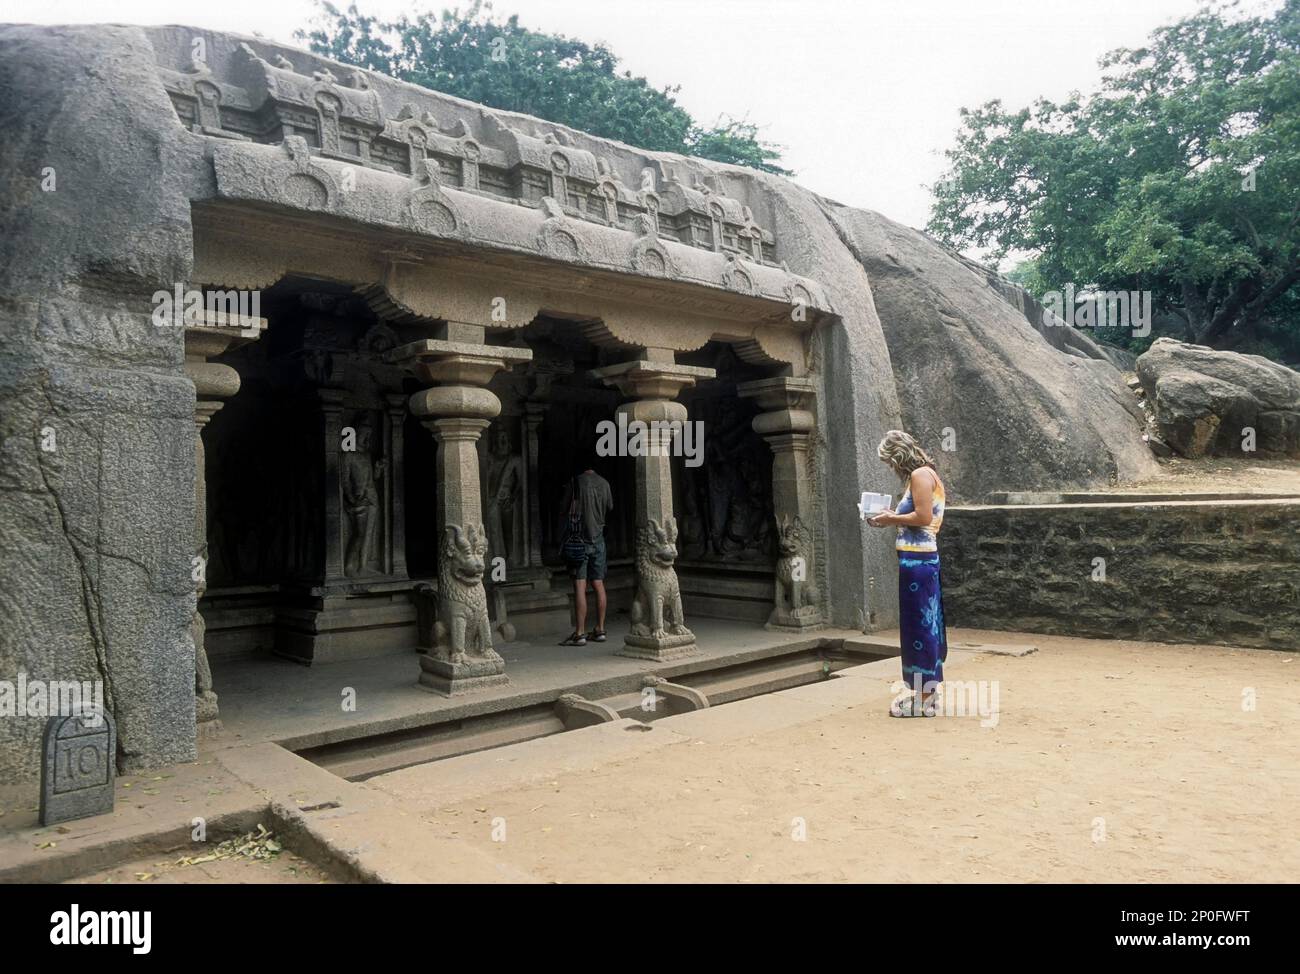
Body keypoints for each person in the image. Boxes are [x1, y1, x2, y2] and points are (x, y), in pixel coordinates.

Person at [867, 430, 948, 717]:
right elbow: (918, 516)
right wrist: (891, 517)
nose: (891, 467)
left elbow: (923, 518)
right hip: (918, 562)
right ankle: (926, 691)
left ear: (899, 456)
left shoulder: (920, 476)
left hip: (918, 564)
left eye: (890, 461)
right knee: (923, 624)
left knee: (920, 627)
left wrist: (891, 519)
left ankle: (925, 695)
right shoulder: (926, 476)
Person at [558, 456, 614, 646]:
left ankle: (580, 633)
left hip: (578, 542)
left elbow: (563, 508)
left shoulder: (576, 482)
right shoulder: (605, 483)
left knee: (580, 586)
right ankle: (600, 629)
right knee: (598, 584)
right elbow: (610, 507)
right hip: (598, 540)